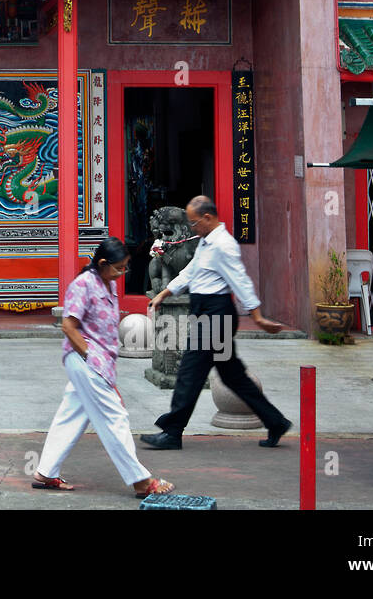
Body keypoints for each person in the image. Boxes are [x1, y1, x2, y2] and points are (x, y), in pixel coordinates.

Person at [140, 196, 291, 451]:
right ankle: (275, 421)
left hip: (215, 316)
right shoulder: (206, 243)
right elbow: (191, 271)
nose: (192, 227)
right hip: (206, 313)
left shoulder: (223, 245)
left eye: (194, 222)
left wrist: (257, 316)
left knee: (189, 372)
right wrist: (164, 293)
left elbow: (240, 280)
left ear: (208, 218)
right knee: (232, 376)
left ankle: (173, 431)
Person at [32, 237, 174, 497]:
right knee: (114, 418)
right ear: (103, 263)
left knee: (72, 414)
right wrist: (91, 359)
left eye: (126, 267)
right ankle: (140, 481)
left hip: (96, 363)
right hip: (86, 360)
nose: (123, 273)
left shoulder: (106, 284)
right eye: (119, 268)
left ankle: (45, 471)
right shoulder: (83, 285)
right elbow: (68, 326)